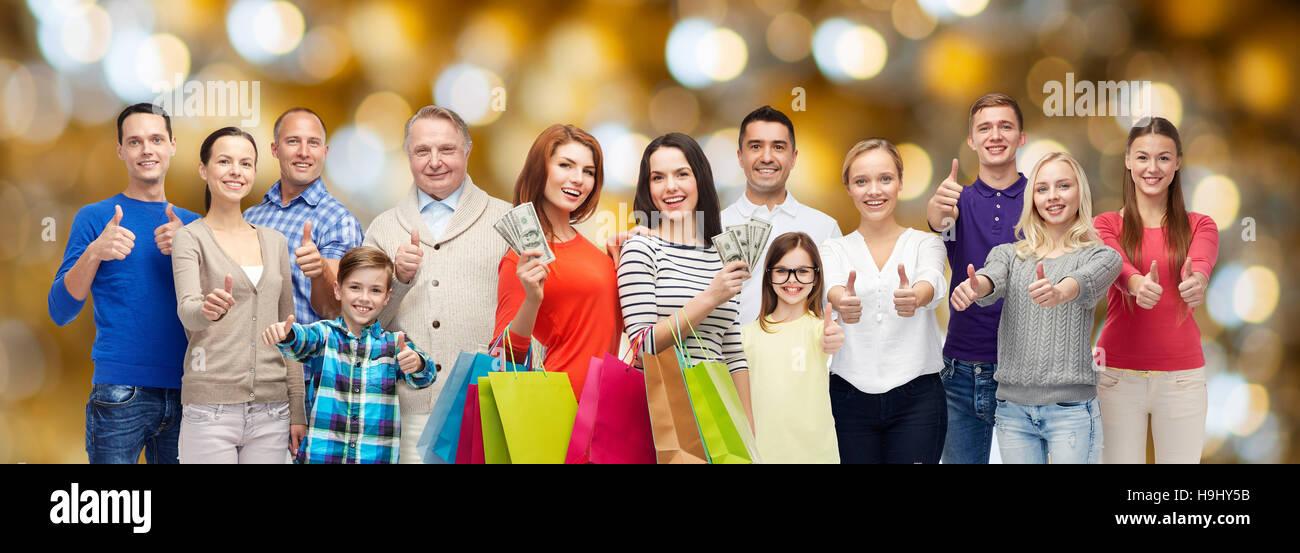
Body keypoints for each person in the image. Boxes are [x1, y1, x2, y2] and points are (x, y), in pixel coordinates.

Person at [48, 103, 201, 464]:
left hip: (190, 393)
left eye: (155, 139)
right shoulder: (95, 218)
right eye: (135, 142)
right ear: (120, 150)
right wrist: (95, 252)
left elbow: (221, 312)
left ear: (172, 145)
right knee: (113, 509)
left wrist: (190, 249)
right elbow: (60, 310)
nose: (146, 149)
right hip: (119, 394)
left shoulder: (195, 226)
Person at [950, 152, 1121, 464]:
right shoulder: (1009, 254)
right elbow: (993, 277)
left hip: (1070, 410)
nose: (1053, 196)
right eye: (1042, 189)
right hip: (1013, 411)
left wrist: (1060, 291)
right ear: (1032, 199)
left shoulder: (1101, 255)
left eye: (1063, 186)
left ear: (1079, 192)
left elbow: (1085, 281)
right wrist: (978, 286)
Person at [363, 105, 511, 463]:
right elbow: (362, 327)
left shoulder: (507, 219)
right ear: (407, 156)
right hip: (411, 412)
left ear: (468, 150)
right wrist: (398, 281)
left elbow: (536, 309)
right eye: (422, 151)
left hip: (490, 406)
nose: (435, 161)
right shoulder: (383, 228)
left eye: (446, 149)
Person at [171, 127, 307, 463]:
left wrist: (298, 408)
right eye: (224, 161)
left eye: (246, 163)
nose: (236, 171)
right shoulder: (189, 239)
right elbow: (187, 311)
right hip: (210, 411)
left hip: (273, 413)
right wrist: (207, 309)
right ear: (204, 169)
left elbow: (289, 329)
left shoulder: (275, 241)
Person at [1093, 117, 1218, 464]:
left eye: (1163, 158)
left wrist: (1197, 282)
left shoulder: (1201, 225)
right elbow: (1112, 261)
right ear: (1128, 161)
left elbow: (1202, 260)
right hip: (1115, 378)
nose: (1152, 167)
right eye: (1143, 157)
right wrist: (1135, 284)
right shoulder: (1105, 225)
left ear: (1177, 163)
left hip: (1182, 381)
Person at [822, 139, 948, 464]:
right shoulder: (832, 250)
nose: (873, 190)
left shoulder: (926, 243)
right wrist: (841, 300)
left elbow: (932, 282)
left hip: (918, 396)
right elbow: (831, 287)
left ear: (901, 183)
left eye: (885, 179)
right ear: (848, 188)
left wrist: (915, 297)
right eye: (861, 181)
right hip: (849, 396)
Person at [617, 132, 752, 422]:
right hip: (663, 417)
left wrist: (747, 433)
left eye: (682, 174)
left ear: (700, 180)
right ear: (647, 187)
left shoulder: (723, 255)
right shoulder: (641, 248)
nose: (671, 187)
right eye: (658, 178)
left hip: (718, 415)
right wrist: (710, 298)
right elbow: (643, 348)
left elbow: (732, 350)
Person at [924, 93, 1028, 464]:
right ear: (971, 140)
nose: (995, 135)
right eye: (984, 128)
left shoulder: (1042, 200)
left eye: (1005, 126)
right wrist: (937, 214)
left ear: (1021, 137)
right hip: (961, 372)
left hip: (1027, 371)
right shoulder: (957, 202)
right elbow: (941, 228)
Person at [263, 246, 437, 464]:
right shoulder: (324, 334)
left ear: (386, 297)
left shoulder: (394, 345)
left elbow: (426, 376)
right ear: (338, 290)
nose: (364, 298)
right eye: (355, 287)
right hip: (322, 457)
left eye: (375, 290)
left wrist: (417, 364)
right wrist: (286, 334)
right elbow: (301, 340)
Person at [243, 108, 364, 414]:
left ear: (325, 151)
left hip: (309, 386)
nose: (303, 152)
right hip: (247, 379)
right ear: (274, 149)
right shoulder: (250, 217)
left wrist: (320, 270)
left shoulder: (339, 222)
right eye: (293, 141)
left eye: (313, 143)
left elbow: (335, 309)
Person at [492, 124, 622, 397]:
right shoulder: (523, 258)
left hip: (607, 406)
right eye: (566, 165)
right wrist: (532, 300)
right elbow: (503, 358)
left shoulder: (600, 256)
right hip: (559, 406)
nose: (578, 179)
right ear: (541, 170)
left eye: (589, 172)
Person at [722, 106, 840, 325]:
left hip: (805, 356)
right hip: (730, 358)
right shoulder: (716, 226)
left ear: (793, 158)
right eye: (755, 146)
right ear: (740, 157)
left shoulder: (825, 228)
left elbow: (834, 309)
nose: (767, 157)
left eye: (778, 147)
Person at [741, 231, 841, 463]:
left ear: (816, 278)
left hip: (816, 456)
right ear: (769, 276)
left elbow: (831, 341)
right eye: (782, 271)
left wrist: (833, 337)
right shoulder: (746, 336)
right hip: (761, 457)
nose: (792, 279)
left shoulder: (821, 330)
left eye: (803, 271)